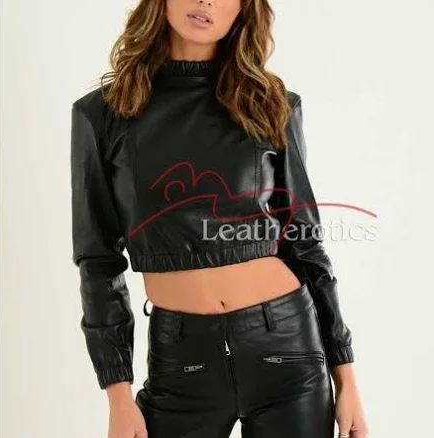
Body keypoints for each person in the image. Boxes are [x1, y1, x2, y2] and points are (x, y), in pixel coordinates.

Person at [70, 0, 368, 437]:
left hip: (289, 353)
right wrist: (118, 395)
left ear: (243, 10)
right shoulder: (102, 114)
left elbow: (305, 243)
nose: (205, 1)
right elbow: (98, 261)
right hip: (181, 362)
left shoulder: (271, 105)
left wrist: (347, 381)